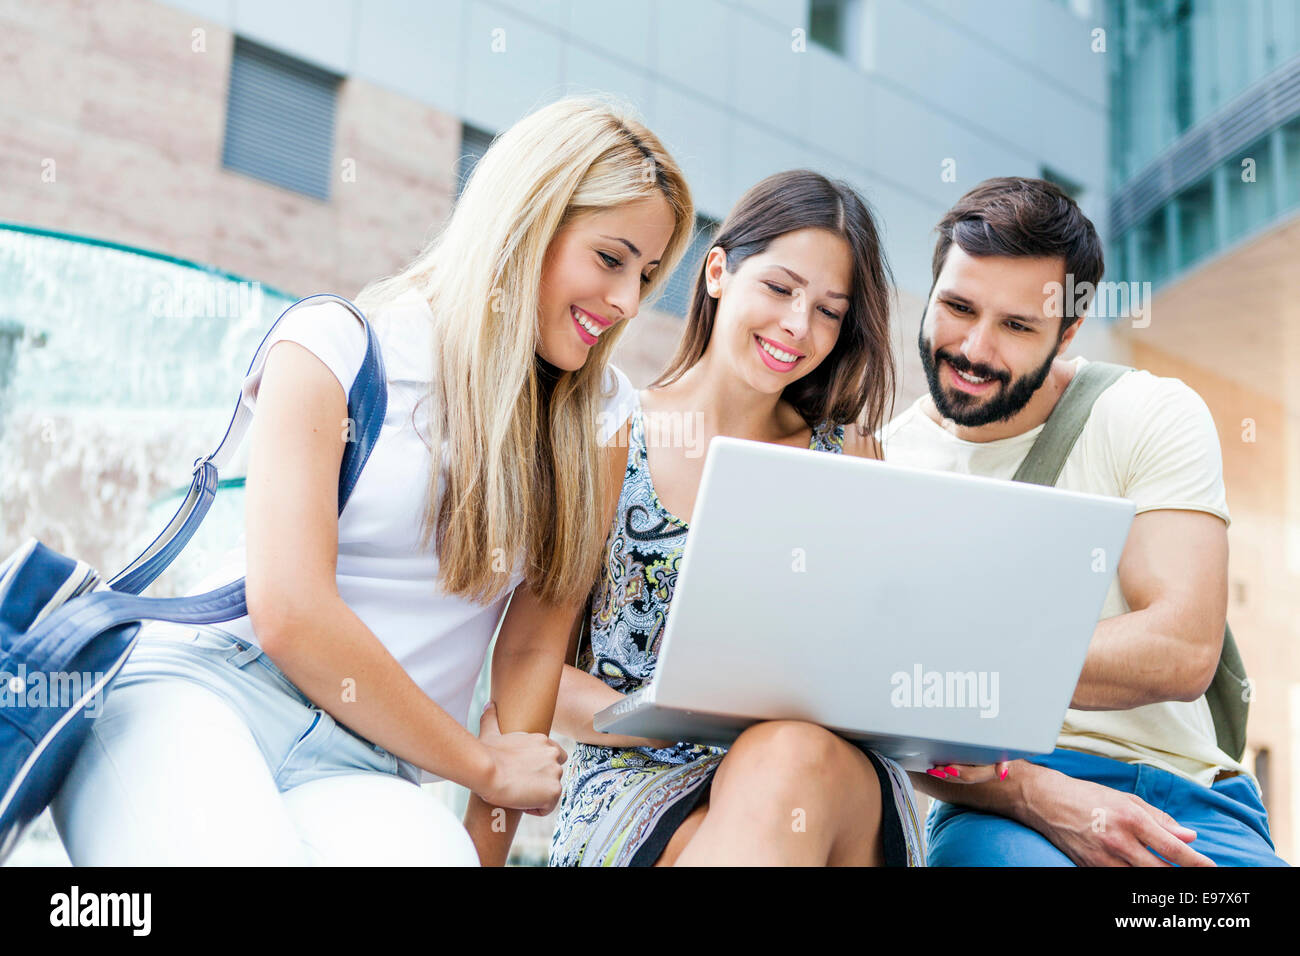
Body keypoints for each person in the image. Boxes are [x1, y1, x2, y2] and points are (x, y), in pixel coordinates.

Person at [50, 97, 695, 866]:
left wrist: (482, 848)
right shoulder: (334, 345)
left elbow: (528, 656)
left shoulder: (597, 418)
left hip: (370, 763)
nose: (627, 302)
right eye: (611, 258)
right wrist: (481, 764)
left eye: (649, 274)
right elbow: (291, 612)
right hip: (208, 689)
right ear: (529, 220)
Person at [884, 176, 1286, 866]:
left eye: (1016, 326)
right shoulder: (884, 461)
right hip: (1005, 800)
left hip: (1193, 799)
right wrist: (1034, 791)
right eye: (957, 307)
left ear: (1069, 329)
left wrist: (957, 662)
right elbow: (886, 704)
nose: (976, 349)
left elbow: (1182, 649)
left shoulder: (1148, 412)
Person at [545, 169, 941, 867]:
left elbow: (877, 655)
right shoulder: (615, 436)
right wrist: (660, 719)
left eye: (829, 310)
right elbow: (537, 670)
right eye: (781, 288)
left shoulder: (847, 454)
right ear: (719, 271)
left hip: (820, 776)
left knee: (784, 754)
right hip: (636, 777)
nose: (799, 326)